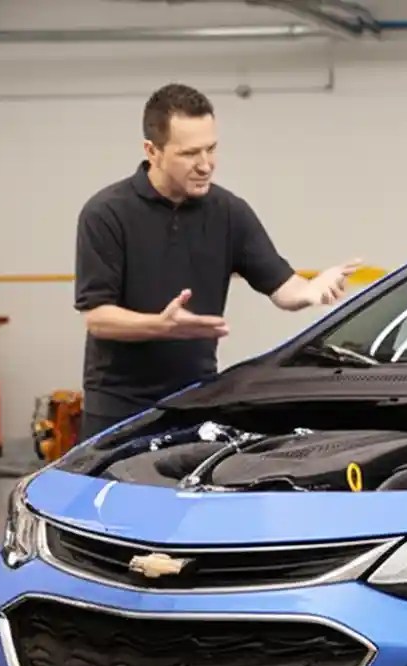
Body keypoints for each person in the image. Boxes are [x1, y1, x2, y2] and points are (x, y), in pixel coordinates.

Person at [73, 83, 361, 440]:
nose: (205, 165)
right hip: (118, 407)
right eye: (189, 153)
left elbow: (283, 288)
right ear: (152, 151)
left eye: (211, 149)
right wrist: (160, 326)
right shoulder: (107, 213)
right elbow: (98, 318)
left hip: (197, 399)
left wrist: (310, 290)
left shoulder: (228, 212)